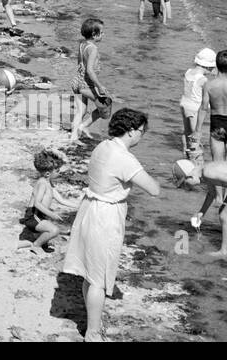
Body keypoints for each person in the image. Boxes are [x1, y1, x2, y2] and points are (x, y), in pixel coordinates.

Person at [62, 108, 160, 341]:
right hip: (105, 216)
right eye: (141, 132)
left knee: (89, 273)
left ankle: (92, 324)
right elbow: (154, 189)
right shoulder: (124, 157)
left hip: (89, 208)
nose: (141, 137)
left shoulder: (102, 146)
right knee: (99, 278)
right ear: (131, 131)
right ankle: (93, 332)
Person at [172, 158, 227, 258]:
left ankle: (224, 251)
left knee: (224, 216)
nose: (188, 188)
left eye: (185, 184)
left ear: (189, 176)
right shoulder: (203, 172)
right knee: (222, 211)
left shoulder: (207, 172)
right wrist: (201, 212)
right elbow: (211, 194)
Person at [20, 149, 78, 254]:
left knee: (51, 230)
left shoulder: (49, 184)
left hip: (40, 216)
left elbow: (61, 200)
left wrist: (79, 206)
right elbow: (37, 203)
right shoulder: (42, 183)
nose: (59, 172)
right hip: (33, 216)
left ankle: (39, 242)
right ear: (47, 173)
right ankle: (36, 245)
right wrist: (52, 214)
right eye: (57, 171)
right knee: (54, 230)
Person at [72, 17, 112, 141]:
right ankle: (84, 126)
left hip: (76, 81)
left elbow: (80, 64)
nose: (103, 34)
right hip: (85, 84)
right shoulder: (93, 49)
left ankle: (73, 137)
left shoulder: (82, 44)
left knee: (81, 111)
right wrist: (99, 86)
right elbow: (89, 70)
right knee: (106, 104)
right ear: (94, 35)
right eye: (102, 32)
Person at [180, 48, 216, 159]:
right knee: (195, 134)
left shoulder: (188, 72)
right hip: (194, 108)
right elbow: (207, 97)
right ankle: (195, 156)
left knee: (186, 132)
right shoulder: (203, 79)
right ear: (208, 67)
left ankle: (185, 153)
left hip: (184, 104)